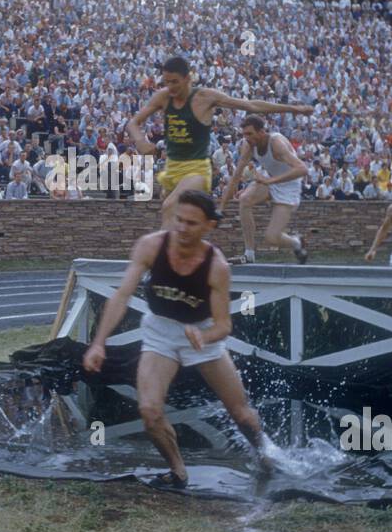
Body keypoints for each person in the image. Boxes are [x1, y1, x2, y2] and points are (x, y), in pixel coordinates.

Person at [82, 190, 276, 488]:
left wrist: (204, 334)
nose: (183, 229)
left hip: (202, 332)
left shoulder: (217, 266)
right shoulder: (151, 246)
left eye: (192, 223)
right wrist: (98, 342)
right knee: (149, 411)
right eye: (179, 220)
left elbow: (224, 325)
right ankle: (178, 472)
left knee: (241, 414)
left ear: (209, 225)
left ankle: (265, 455)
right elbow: (121, 295)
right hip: (160, 332)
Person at [127, 56, 313, 230]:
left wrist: (293, 108)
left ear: (187, 78)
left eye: (175, 82)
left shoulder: (205, 97)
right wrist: (140, 140)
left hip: (197, 169)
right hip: (172, 168)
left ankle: (162, 262)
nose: (170, 87)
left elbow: (251, 105)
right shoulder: (163, 97)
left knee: (170, 207)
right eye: (166, 82)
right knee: (177, 219)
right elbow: (133, 122)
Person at [219, 115, 309, 264]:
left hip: (289, 185)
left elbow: (302, 169)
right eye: (244, 134)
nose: (246, 138)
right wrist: (221, 208)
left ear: (261, 132)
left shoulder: (277, 144)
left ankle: (296, 243)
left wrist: (269, 180)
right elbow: (236, 176)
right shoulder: (248, 145)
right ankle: (249, 254)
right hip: (269, 178)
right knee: (245, 199)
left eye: (249, 134)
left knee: (272, 237)